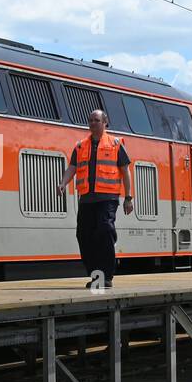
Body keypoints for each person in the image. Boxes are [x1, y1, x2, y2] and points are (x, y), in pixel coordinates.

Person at [59, 110, 133, 288]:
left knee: (105, 230)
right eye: (90, 120)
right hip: (86, 200)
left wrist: (128, 197)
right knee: (84, 236)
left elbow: (125, 171)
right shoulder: (80, 146)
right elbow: (73, 167)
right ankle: (96, 277)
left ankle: (106, 276)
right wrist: (63, 182)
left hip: (107, 198)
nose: (93, 123)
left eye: (96, 120)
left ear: (105, 123)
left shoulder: (115, 144)